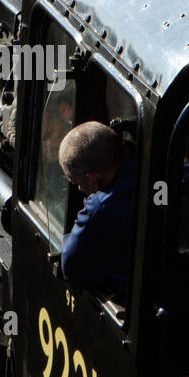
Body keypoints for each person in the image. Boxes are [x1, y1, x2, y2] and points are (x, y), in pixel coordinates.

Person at [59, 122, 135, 298]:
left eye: (76, 183)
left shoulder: (100, 207)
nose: (78, 189)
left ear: (92, 179)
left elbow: (71, 266)